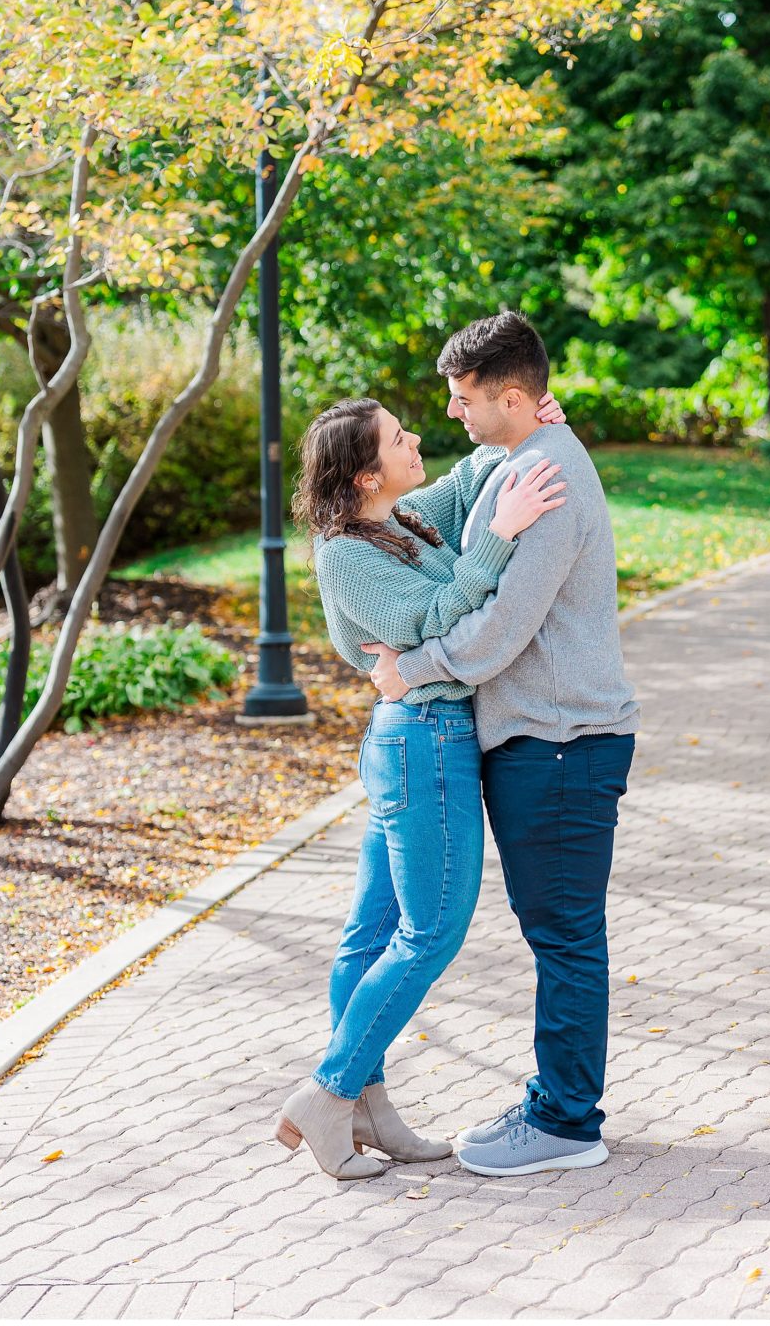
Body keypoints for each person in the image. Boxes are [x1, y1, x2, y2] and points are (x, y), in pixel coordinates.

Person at [363, 311, 641, 1177]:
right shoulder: (525, 459)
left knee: (562, 936)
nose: (451, 413)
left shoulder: (548, 478)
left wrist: (415, 667)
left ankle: (564, 1123)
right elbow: (435, 519)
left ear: (511, 397)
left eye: (463, 399)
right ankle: (559, 1102)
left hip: (560, 742)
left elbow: (506, 625)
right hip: (546, 739)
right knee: (556, 932)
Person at [276, 391, 567, 1180]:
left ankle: (364, 1108)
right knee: (429, 932)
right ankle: (328, 1091)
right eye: (399, 439)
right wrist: (499, 542)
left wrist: (536, 419)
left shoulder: (399, 519)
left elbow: (475, 475)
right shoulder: (346, 554)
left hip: (415, 743)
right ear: (367, 473)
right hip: (425, 744)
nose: (416, 442)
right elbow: (435, 616)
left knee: (368, 937)